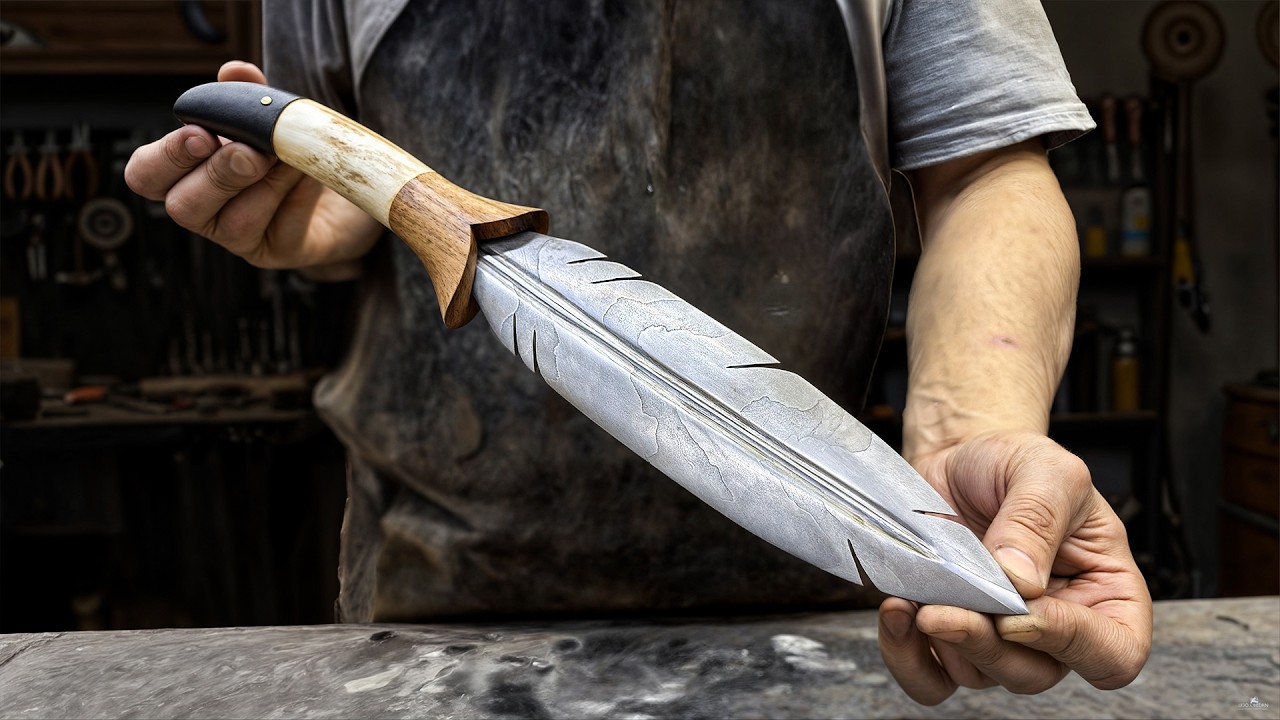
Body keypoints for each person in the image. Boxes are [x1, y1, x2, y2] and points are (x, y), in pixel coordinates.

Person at [126, 0, 1152, 704]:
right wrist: (331, 215)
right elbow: (331, 165)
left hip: (818, 580)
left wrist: (966, 434)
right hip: (437, 601)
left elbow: (984, 172)